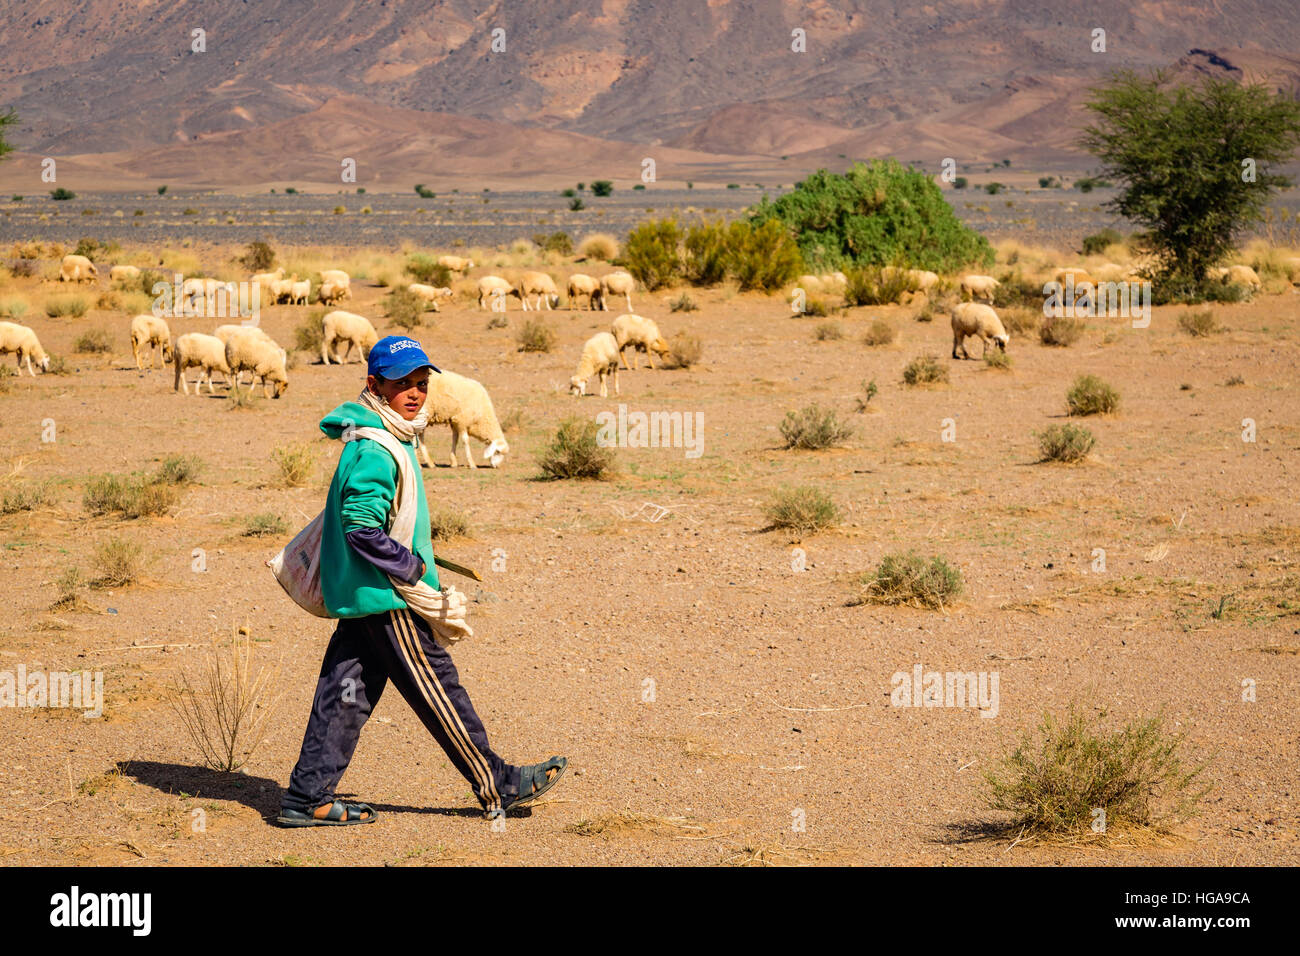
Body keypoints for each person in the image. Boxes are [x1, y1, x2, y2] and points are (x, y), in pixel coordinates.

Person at [276, 335, 565, 826]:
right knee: (437, 687)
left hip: (362, 594)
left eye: (420, 383)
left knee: (344, 693)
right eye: (400, 383)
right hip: (387, 596)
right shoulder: (378, 446)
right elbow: (360, 525)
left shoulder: (379, 433)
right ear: (374, 384)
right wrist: (410, 567)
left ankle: (308, 797)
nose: (413, 392)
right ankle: (495, 780)